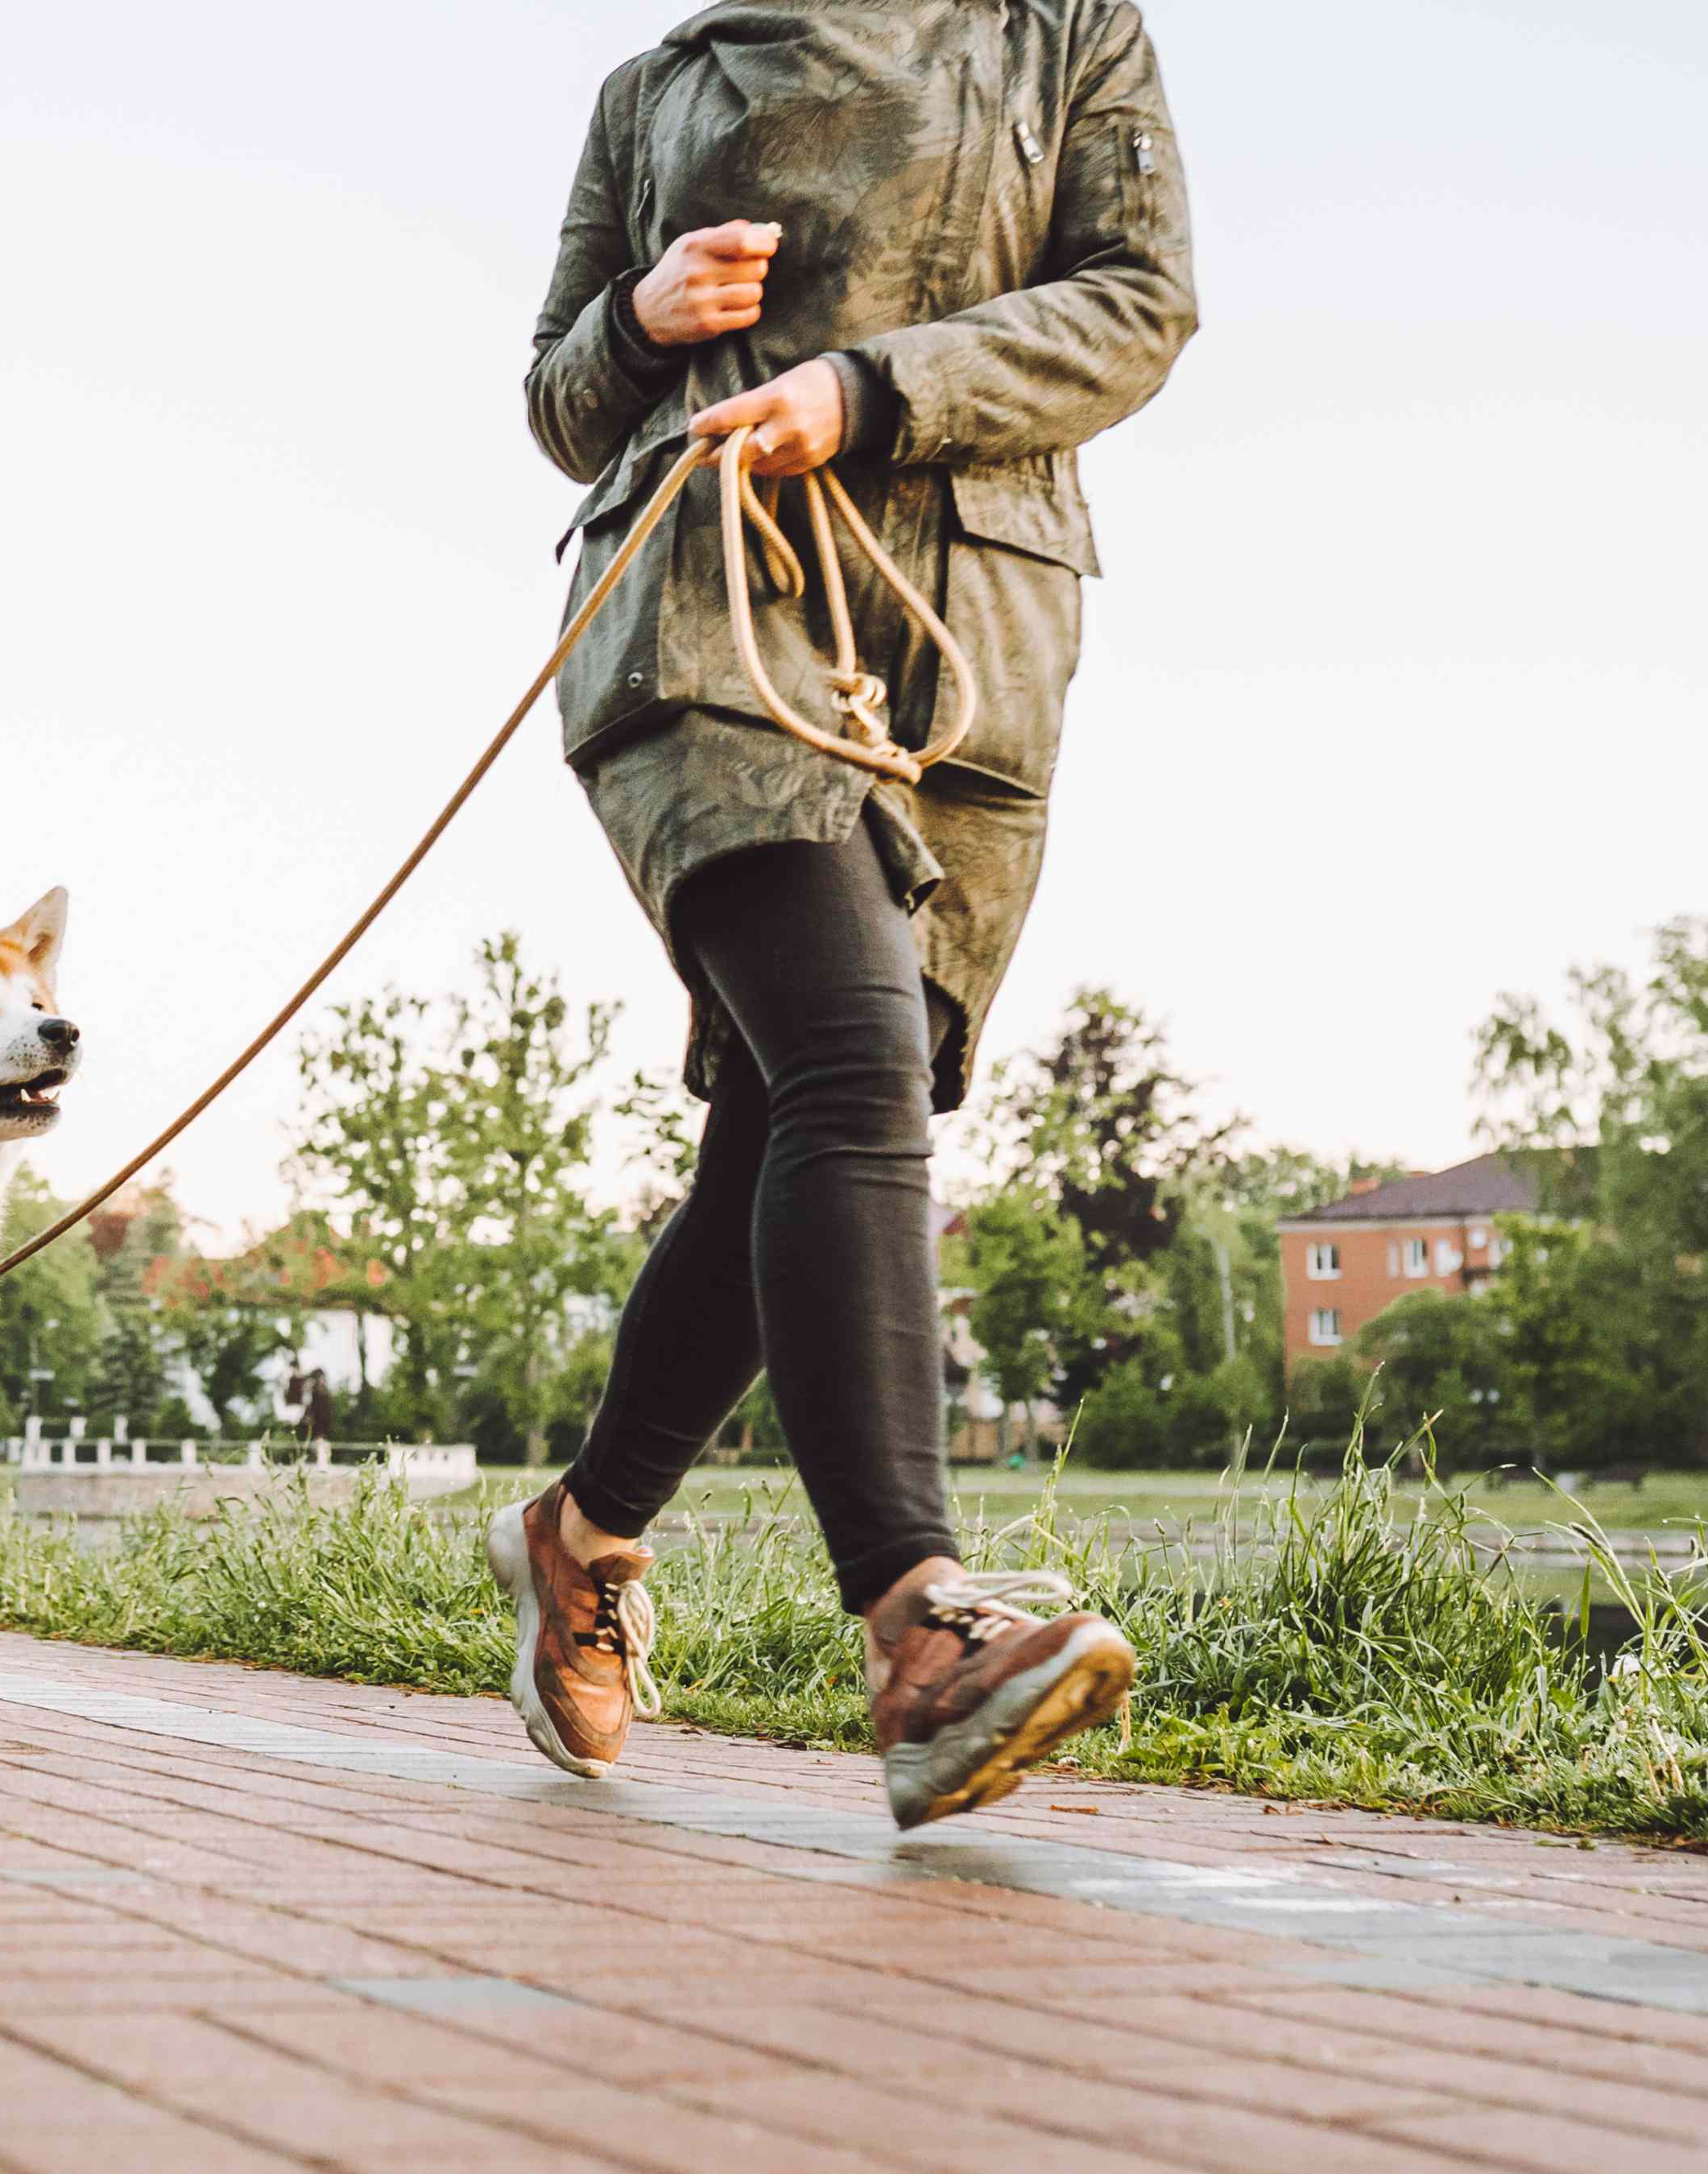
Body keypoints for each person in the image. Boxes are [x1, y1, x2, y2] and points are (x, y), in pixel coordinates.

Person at [489, 2, 1197, 1829]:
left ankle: (578, 1539)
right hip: (704, 602)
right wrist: (636, 326)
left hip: (965, 640)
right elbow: (559, 406)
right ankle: (917, 1628)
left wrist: (874, 390)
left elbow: (1136, 303)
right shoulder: (649, 90)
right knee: (847, 1061)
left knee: (793, 1127)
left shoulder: (1067, 37)